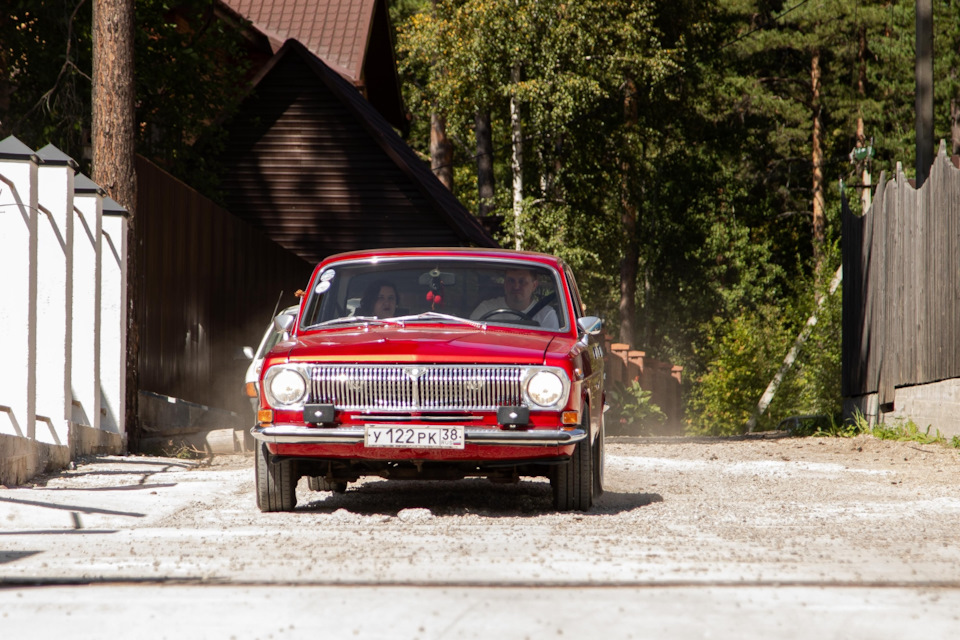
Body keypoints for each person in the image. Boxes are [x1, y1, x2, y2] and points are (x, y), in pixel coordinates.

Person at [470, 268, 559, 328]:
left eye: (522, 281)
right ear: (505, 284)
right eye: (511, 281)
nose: (516, 287)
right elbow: (470, 336)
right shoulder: (486, 308)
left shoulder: (546, 315)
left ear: (534, 285)